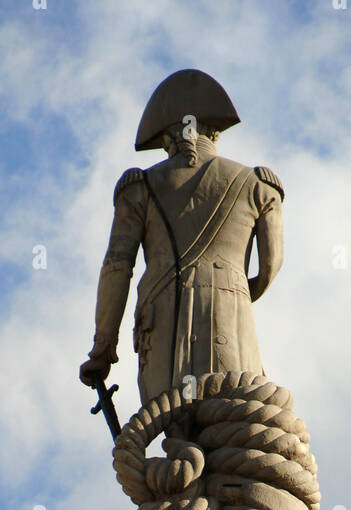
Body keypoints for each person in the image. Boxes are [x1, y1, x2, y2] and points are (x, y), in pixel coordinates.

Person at [80, 69, 284, 407]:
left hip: (163, 330)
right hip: (232, 320)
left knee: (177, 434)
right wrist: (241, 292)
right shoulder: (258, 185)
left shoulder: (139, 188)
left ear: (167, 137)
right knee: (234, 425)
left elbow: (117, 269)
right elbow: (271, 266)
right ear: (213, 131)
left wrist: (102, 351)